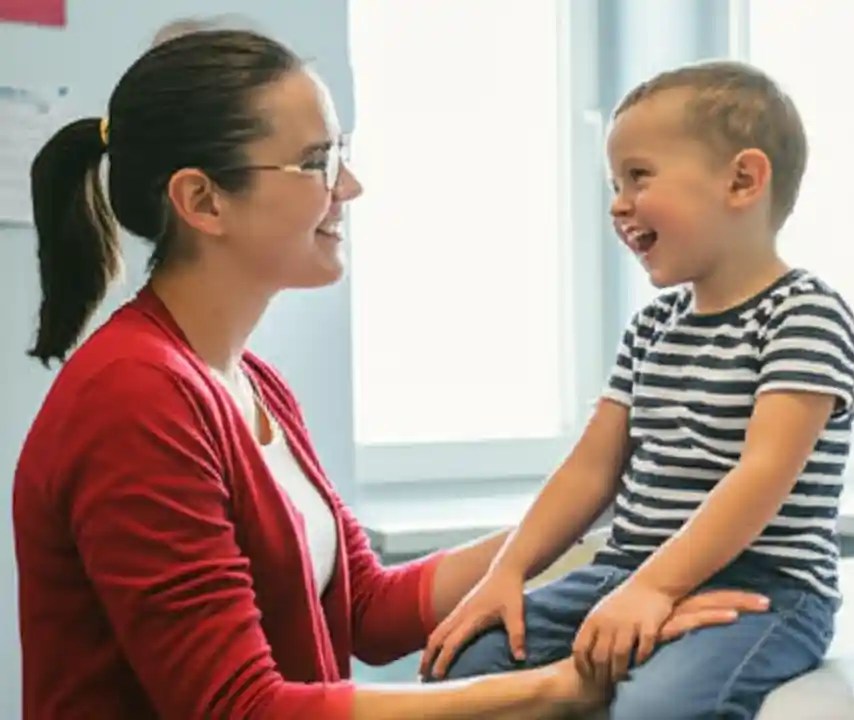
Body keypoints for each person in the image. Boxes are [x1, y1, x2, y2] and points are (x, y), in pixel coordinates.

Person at [12, 30, 767, 720]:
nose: (349, 188)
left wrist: (612, 539)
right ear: (202, 200)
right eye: (318, 163)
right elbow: (242, 709)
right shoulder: (136, 399)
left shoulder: (248, 384)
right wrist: (562, 687)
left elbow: (366, 610)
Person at [422, 60, 854, 718]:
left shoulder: (804, 314)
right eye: (614, 182)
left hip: (765, 586)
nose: (618, 204)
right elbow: (590, 471)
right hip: (630, 570)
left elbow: (761, 476)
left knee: (659, 708)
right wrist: (506, 573)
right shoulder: (653, 327)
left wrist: (656, 588)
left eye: (639, 176)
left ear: (742, 180)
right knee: (469, 667)